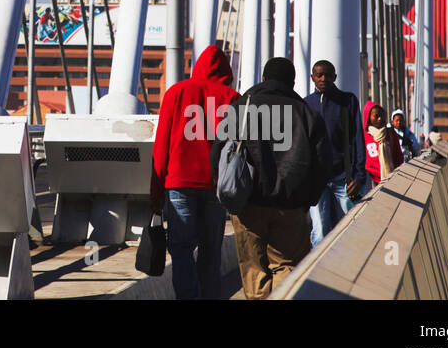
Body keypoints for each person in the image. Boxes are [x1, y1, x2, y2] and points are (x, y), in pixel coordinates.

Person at [209, 57, 333, 300]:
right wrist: (306, 199)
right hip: (290, 206)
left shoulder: (241, 107)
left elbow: (219, 152)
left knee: (254, 270)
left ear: (264, 79)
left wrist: (226, 191)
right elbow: (323, 165)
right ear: (293, 82)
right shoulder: (307, 114)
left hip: (248, 203)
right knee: (287, 266)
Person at [150, 45, 240, 299]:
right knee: (211, 253)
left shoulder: (175, 93)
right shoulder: (233, 97)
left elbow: (161, 146)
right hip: (216, 186)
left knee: (181, 250)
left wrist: (155, 192)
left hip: (179, 184)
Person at [304, 59, 367, 247]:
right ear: (312, 78)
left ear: (335, 77)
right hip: (317, 179)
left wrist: (359, 175)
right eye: (319, 75)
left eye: (328, 75)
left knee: (351, 227)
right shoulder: (307, 104)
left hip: (345, 178)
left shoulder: (348, 101)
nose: (324, 78)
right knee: (320, 230)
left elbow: (357, 138)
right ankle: (319, 273)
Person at [363, 101, 404, 184]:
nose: (380, 119)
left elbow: (398, 156)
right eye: (376, 116)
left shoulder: (391, 133)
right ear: (368, 117)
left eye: (382, 116)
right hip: (370, 181)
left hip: (390, 179)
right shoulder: (363, 135)